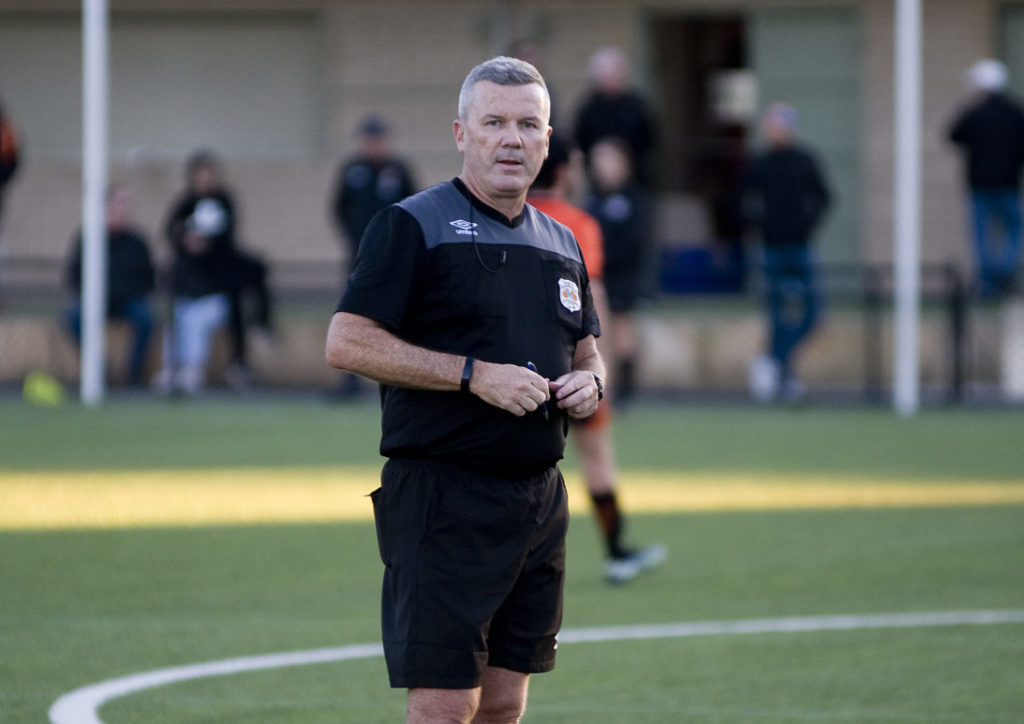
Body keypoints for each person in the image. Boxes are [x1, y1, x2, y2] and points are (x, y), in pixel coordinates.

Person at [325, 56, 604, 724]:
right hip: (443, 497)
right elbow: (346, 342)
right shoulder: (412, 224)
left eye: (528, 125)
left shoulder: (562, 242)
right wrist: (474, 375)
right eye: (494, 122)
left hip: (539, 500)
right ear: (461, 133)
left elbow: (588, 351)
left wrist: (591, 383)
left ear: (547, 140)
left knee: (504, 704)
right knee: (447, 705)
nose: (512, 139)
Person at [528, 133, 666, 584]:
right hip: (569, 366)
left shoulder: (505, 217)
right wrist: (597, 366)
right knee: (597, 458)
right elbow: (593, 296)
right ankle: (617, 553)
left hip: (513, 367)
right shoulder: (578, 223)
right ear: (564, 171)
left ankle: (503, 563)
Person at [158, 151, 272, 393]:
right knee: (183, 314)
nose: (205, 179)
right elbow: (171, 232)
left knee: (250, 279)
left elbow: (229, 236)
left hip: (221, 275)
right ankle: (177, 369)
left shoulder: (223, 200)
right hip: (193, 282)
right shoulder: (186, 203)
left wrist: (209, 243)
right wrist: (186, 241)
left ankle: (248, 346)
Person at [742, 103, 831, 403]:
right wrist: (761, 225)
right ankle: (785, 376)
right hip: (771, 248)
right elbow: (741, 199)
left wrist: (806, 224)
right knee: (778, 315)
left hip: (800, 246)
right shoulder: (760, 163)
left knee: (813, 312)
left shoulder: (805, 161)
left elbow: (824, 197)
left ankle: (773, 361)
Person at [329, 114, 416, 397]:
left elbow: (414, 209)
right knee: (353, 316)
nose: (373, 145)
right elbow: (339, 208)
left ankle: (399, 377)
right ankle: (350, 381)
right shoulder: (352, 170)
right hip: (360, 258)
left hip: (394, 258)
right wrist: (355, 237)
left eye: (377, 139)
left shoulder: (398, 170)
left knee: (397, 315)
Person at [64, 184, 156, 386]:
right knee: (73, 317)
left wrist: (127, 291)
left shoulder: (136, 241)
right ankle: (98, 367)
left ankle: (133, 372)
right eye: (117, 205)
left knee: (146, 319)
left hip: (127, 301)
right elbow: (74, 275)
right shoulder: (89, 238)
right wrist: (90, 294)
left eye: (125, 206)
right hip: (95, 301)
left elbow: (149, 277)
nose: (122, 211)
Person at [585, 136, 652, 406]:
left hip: (623, 277)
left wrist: (610, 259)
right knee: (600, 335)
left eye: (607, 158)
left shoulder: (634, 198)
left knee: (622, 331)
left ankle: (626, 392)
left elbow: (636, 240)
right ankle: (604, 388)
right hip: (597, 277)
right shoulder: (593, 199)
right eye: (597, 159)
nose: (601, 165)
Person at [948, 58, 1024, 298]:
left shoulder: (975, 113)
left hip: (979, 184)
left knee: (981, 234)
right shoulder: (1015, 112)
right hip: (1008, 183)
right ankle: (1004, 270)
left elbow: (954, 135)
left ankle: (988, 280)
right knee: (1014, 228)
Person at [572, 46, 658, 189]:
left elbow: (649, 140)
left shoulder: (637, 106)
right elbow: (580, 141)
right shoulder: (588, 108)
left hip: (635, 179)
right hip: (598, 180)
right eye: (609, 74)